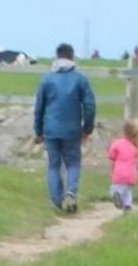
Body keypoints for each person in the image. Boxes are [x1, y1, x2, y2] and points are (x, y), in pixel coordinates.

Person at [33, 43, 97, 215]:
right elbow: (90, 105)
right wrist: (87, 128)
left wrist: (38, 131)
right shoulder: (80, 79)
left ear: (57, 57)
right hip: (72, 129)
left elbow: (39, 107)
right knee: (73, 163)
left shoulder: (47, 79)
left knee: (53, 165)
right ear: (72, 57)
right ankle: (71, 192)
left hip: (51, 129)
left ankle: (56, 201)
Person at [106, 120, 138, 213]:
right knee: (128, 191)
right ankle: (127, 206)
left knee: (116, 188)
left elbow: (111, 155)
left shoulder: (117, 144)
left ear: (124, 132)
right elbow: (137, 158)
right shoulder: (135, 147)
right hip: (131, 174)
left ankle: (117, 195)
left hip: (119, 172)